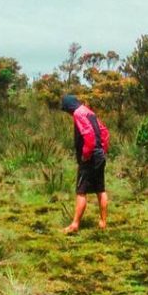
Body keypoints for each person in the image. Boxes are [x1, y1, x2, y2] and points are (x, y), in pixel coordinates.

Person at [59, 94, 109, 233]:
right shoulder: (89, 112)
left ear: (69, 107)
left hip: (90, 157)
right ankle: (103, 222)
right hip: (99, 155)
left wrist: (86, 155)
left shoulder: (78, 113)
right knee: (100, 189)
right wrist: (102, 150)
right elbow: (104, 132)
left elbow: (89, 135)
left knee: (81, 191)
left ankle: (75, 225)